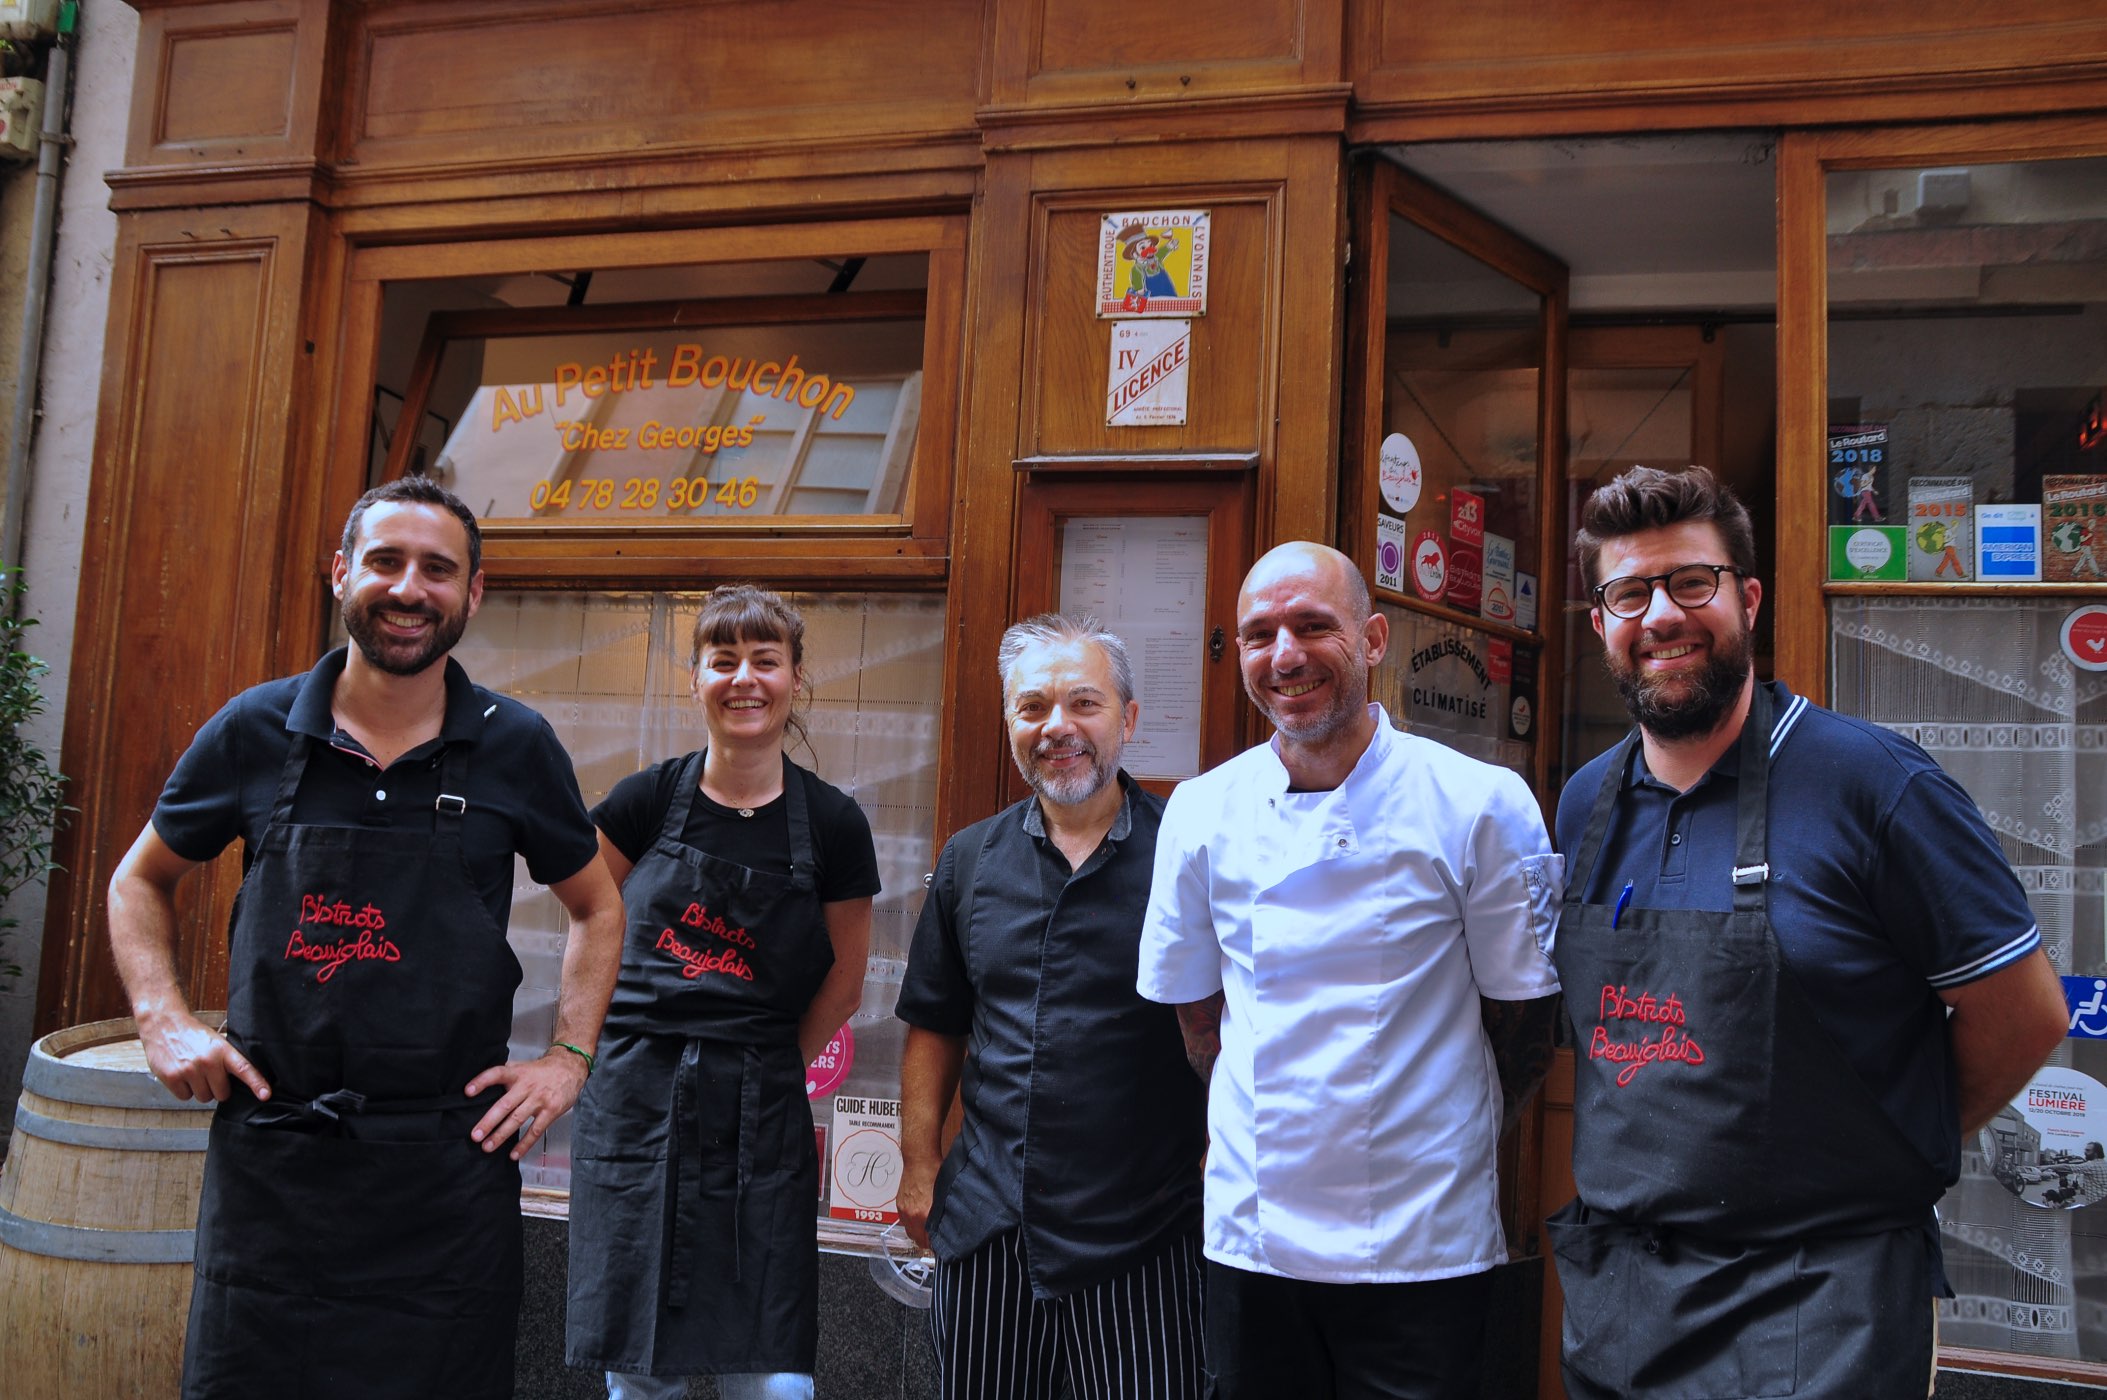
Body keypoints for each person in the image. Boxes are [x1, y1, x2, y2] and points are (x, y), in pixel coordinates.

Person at [1550, 465, 2069, 1399]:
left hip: (1824, 1303)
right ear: (1600, 624)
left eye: (1690, 582)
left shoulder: (1875, 786)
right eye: (1628, 592)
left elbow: (2024, 1014)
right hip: (1626, 1299)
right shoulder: (1586, 804)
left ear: (1746, 599)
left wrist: (1886, 1138)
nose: (1660, 614)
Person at [106, 474, 625, 1399]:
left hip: (447, 1173)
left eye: (437, 568)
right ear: (341, 571)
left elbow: (597, 904)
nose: (408, 588)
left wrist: (569, 1057)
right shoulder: (253, 730)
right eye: (385, 561)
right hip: (276, 1163)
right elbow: (140, 879)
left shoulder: (516, 744)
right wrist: (161, 1016)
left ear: (473, 593)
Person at [1136, 542, 1564, 1400]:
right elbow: (1195, 1016)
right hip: (1253, 1237)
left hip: (1423, 1241)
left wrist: (1439, 1148)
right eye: (1259, 635)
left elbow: (1523, 1025)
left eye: (1311, 626)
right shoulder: (1199, 809)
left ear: (1372, 640)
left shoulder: (1478, 803)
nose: (1284, 655)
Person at [565, 585, 878, 1400]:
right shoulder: (643, 802)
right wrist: (579, 1050)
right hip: (636, 1100)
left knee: (772, 1381)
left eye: (765, 660)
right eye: (724, 659)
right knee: (640, 1374)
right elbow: (590, 921)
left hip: (757, 1110)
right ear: (695, 676)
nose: (745, 678)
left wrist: (768, 1058)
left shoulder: (834, 826)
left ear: (795, 679)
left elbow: (844, 982)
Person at [896, 614, 1208, 1400]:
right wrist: (919, 1165)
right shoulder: (969, 859)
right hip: (988, 1225)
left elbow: (1231, 1029)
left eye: (1083, 704)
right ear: (1009, 723)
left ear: (1128, 720)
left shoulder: (1187, 856)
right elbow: (935, 1023)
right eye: (1032, 707)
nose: (1056, 727)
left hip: (1146, 1229)